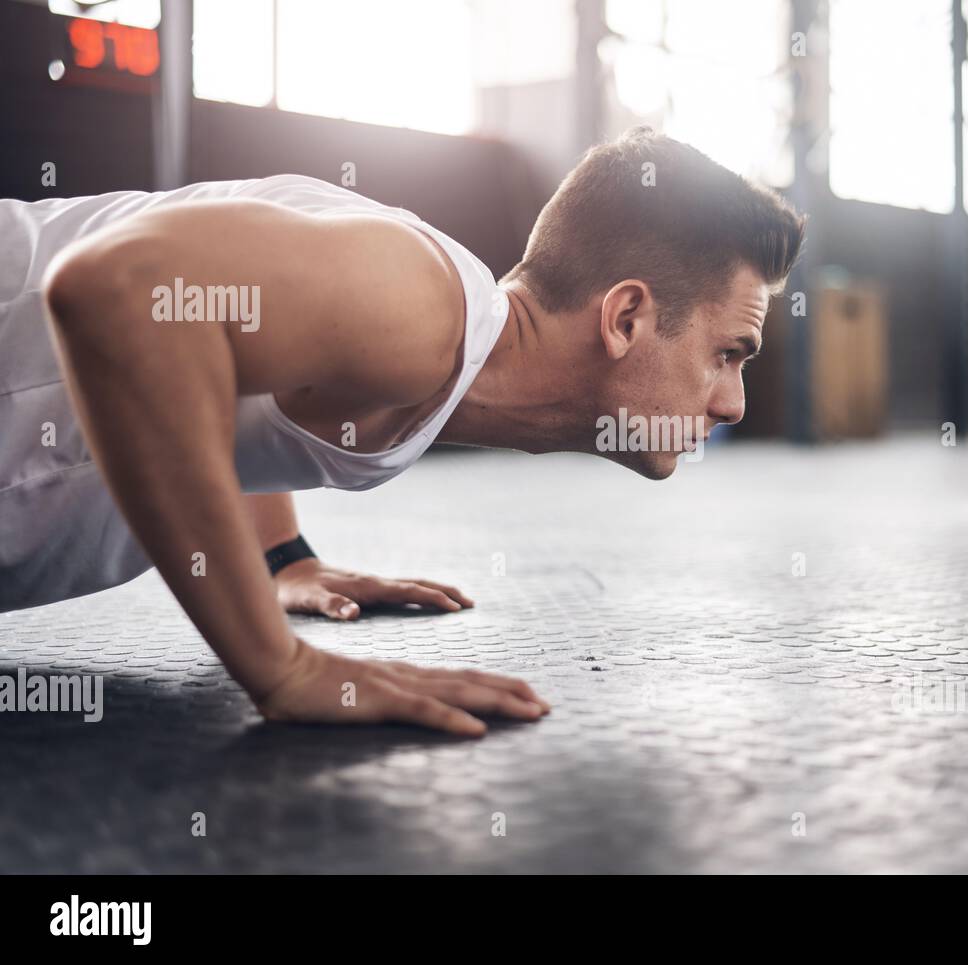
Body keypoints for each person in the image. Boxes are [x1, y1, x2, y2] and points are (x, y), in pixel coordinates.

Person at [0, 127, 806, 734]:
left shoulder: (432, 347)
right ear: (626, 315)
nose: (733, 403)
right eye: (729, 353)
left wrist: (283, 556)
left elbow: (249, 364)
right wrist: (277, 668)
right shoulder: (420, 302)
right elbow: (116, 296)